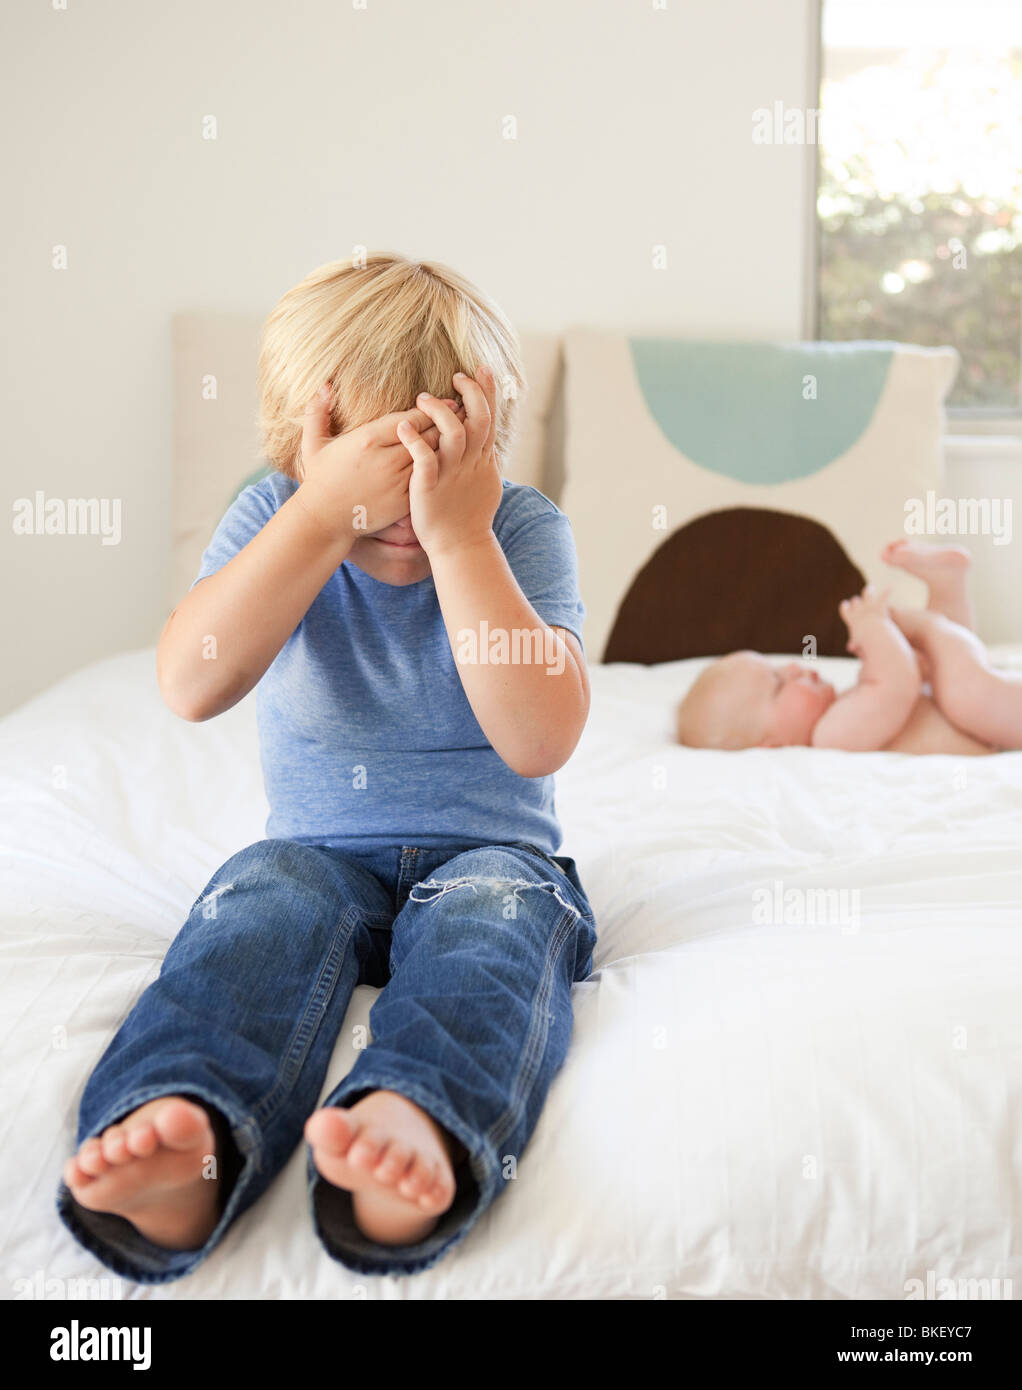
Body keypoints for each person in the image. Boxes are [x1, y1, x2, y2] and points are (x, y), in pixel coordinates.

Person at [56, 252, 597, 1282]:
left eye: (438, 448)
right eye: (373, 457)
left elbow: (538, 737)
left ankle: (418, 1115)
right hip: (316, 854)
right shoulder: (274, 518)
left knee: (493, 924)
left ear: (488, 440)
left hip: (490, 853)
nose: (406, 491)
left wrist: (462, 540)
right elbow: (192, 684)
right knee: (257, 909)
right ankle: (185, 1121)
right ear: (303, 442)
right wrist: (315, 515)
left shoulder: (516, 528)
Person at [676, 540, 1022, 755]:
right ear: (768, 745)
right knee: (964, 693)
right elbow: (898, 685)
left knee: (940, 671)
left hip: (983, 726)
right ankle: (931, 616)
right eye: (778, 685)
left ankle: (945, 589)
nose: (792, 668)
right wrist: (875, 629)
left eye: (779, 668)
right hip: (986, 730)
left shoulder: (838, 711)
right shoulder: (831, 737)